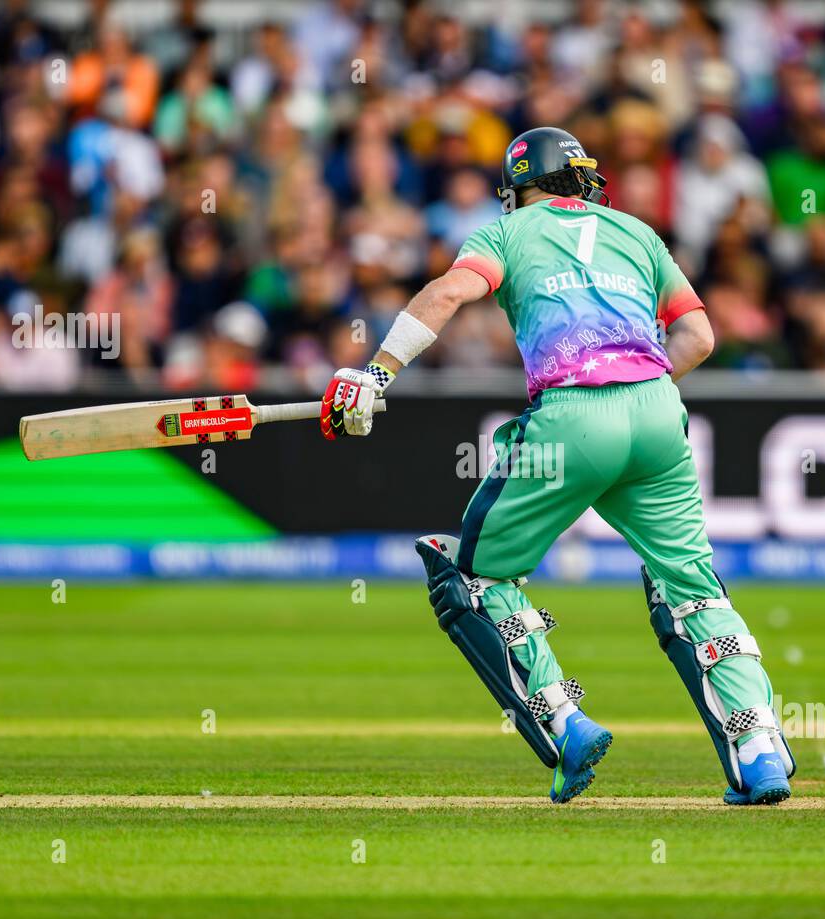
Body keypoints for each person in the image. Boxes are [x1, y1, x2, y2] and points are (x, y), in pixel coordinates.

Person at [318, 127, 795, 806]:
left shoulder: (505, 235)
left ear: (519, 187)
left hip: (572, 417)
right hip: (659, 412)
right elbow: (700, 336)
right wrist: (641, 382)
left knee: (476, 575)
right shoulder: (637, 233)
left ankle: (565, 719)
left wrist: (377, 372)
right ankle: (758, 751)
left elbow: (448, 294)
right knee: (695, 590)